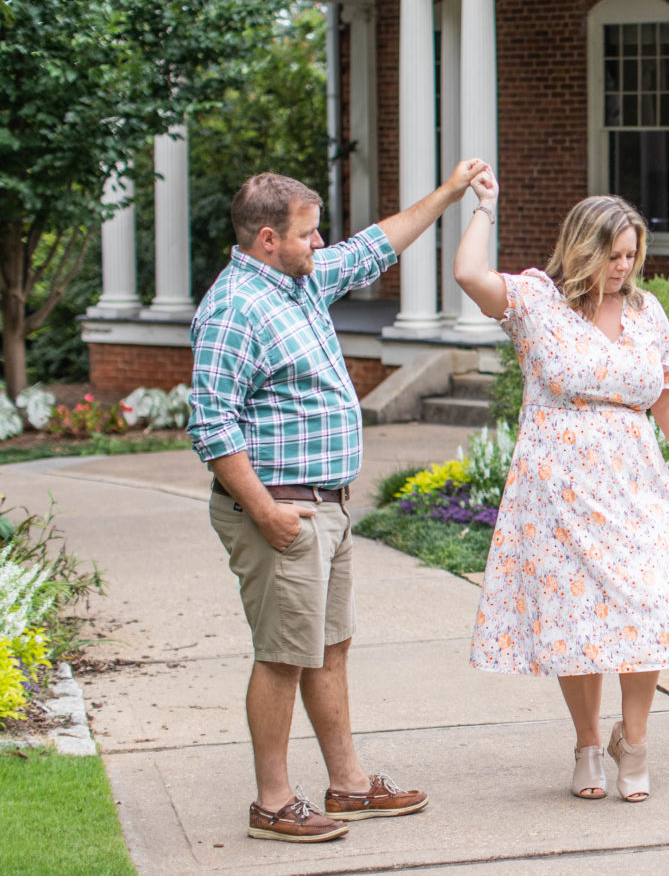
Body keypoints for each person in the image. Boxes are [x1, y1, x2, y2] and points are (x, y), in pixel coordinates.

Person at [189, 162, 484, 842]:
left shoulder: (301, 280)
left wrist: (448, 191)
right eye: (308, 233)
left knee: (329, 646)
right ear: (268, 239)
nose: (322, 243)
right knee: (283, 654)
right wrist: (263, 510)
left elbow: (378, 243)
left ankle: (349, 784)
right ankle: (272, 800)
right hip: (282, 508)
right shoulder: (234, 307)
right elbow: (212, 422)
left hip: (326, 504)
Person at [453, 173, 669, 803]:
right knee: (576, 621)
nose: (624, 267)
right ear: (582, 249)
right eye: (613, 256)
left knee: (643, 606)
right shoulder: (535, 301)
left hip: (634, 485)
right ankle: (588, 745)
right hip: (557, 491)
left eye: (631, 255)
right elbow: (467, 274)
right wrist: (485, 206)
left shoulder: (645, 312)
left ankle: (636, 741)